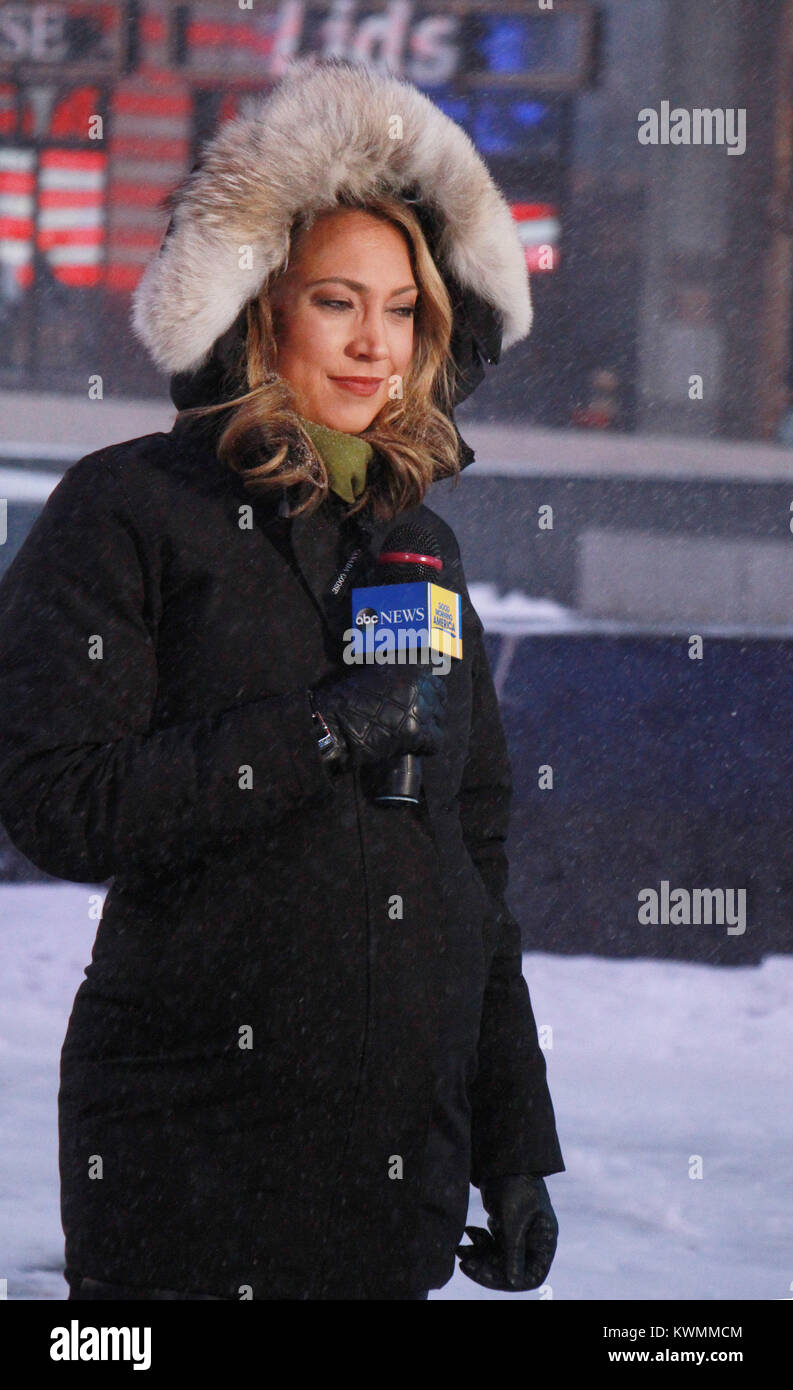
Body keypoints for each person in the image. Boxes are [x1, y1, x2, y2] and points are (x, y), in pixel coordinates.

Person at [0, 56, 565, 1301]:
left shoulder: (422, 540)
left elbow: (469, 861)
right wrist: (315, 734)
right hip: (188, 1152)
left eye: (402, 307)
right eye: (335, 301)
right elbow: (59, 802)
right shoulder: (128, 508)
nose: (375, 342)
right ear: (262, 310)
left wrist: (514, 1146)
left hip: (398, 1173)